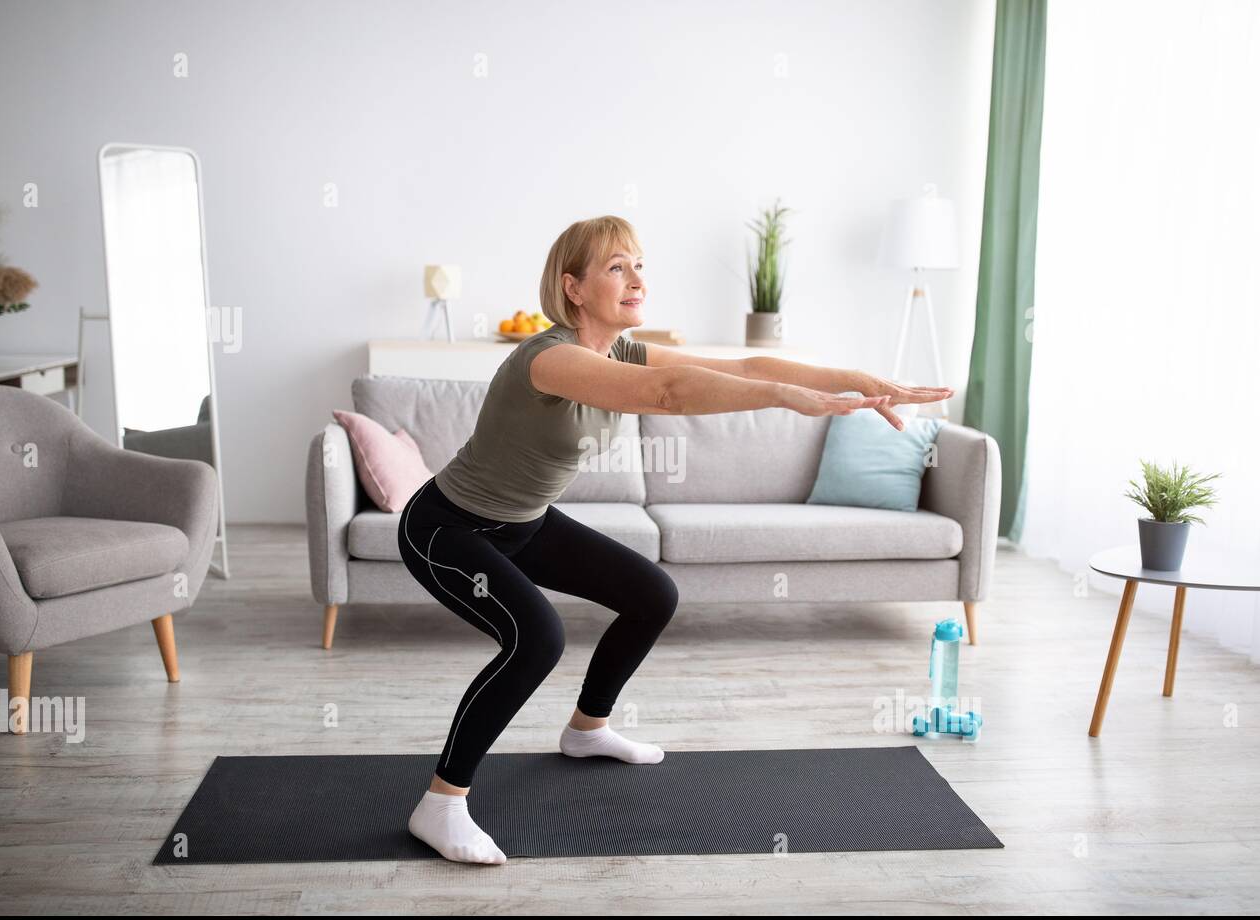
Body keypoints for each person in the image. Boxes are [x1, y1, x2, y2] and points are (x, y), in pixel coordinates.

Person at [401, 215, 953, 864]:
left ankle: (588, 729)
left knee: (650, 593)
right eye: (616, 267)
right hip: (448, 529)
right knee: (537, 638)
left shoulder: (620, 350)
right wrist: (782, 399)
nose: (637, 277)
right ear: (573, 288)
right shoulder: (548, 358)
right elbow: (665, 394)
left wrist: (854, 379)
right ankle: (441, 801)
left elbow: (744, 360)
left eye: (639, 263)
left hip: (525, 523)